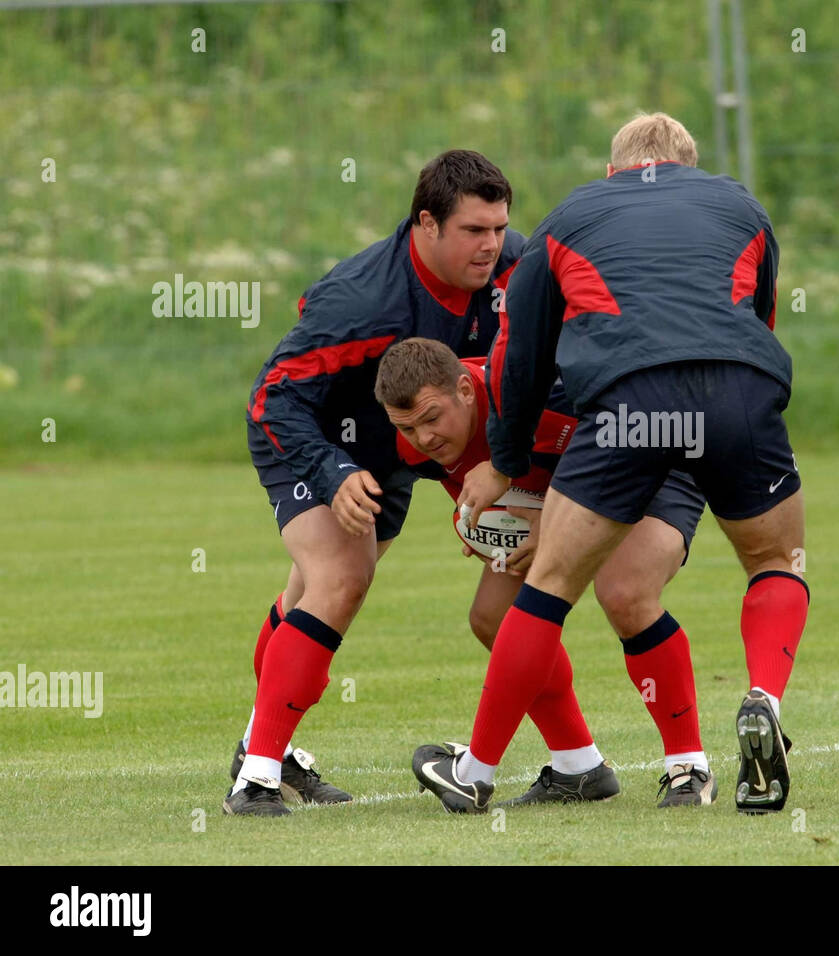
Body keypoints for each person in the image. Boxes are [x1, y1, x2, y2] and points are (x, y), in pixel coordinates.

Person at [415, 112, 809, 815]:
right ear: (690, 167)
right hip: (739, 394)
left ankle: (474, 772)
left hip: (629, 401)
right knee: (777, 561)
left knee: (549, 587)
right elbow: (759, 316)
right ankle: (761, 701)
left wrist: (505, 463)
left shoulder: (574, 214)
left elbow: (519, 359)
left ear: (611, 173)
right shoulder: (743, 205)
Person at [225, 150, 524, 817]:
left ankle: (262, 746)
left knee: (309, 594)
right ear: (425, 223)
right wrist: (331, 472)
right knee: (340, 577)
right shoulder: (365, 300)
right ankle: (255, 782)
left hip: (398, 444)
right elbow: (275, 398)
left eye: (499, 228)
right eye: (474, 231)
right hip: (314, 436)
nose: (492, 245)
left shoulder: (517, 271)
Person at [374, 338, 714, 807]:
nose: (424, 438)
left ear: (466, 391)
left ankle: (689, 767)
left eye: (432, 419)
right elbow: (476, 485)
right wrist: (487, 527)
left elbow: (616, 444)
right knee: (492, 616)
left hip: (650, 453)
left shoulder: (540, 395)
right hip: (559, 493)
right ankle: (579, 766)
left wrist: (555, 520)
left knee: (624, 593)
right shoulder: (411, 444)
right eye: (409, 428)